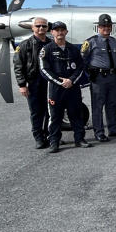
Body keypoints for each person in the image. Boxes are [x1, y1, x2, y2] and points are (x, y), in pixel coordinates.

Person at [39, 21, 91, 152]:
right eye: (57, 30)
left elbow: (80, 67)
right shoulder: (47, 50)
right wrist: (60, 82)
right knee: (55, 116)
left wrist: (71, 81)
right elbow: (44, 69)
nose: (60, 32)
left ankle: (79, 139)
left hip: (72, 88)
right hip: (56, 89)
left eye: (62, 30)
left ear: (66, 32)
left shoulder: (73, 49)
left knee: (76, 115)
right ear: (52, 32)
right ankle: (54, 142)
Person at [81, 13, 116, 142]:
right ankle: (99, 132)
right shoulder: (91, 42)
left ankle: (113, 129)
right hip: (98, 78)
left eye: (108, 26)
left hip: (112, 76)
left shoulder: (114, 42)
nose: (106, 28)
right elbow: (83, 60)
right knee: (98, 106)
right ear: (98, 27)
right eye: (103, 26)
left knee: (113, 104)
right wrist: (89, 74)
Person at [13, 16, 51, 149]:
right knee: (36, 112)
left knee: (50, 111)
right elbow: (18, 66)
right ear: (32, 28)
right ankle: (38, 138)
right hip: (34, 83)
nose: (41, 28)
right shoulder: (24, 45)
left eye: (44, 26)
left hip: (49, 82)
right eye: (38, 26)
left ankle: (49, 135)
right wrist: (22, 85)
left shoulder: (51, 44)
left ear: (47, 28)